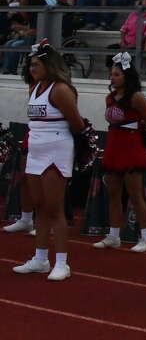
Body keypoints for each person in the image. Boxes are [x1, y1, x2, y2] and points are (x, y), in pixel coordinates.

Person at [11, 41, 85, 282]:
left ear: (49, 64)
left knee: (55, 208)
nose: (32, 68)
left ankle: (62, 262)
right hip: (36, 149)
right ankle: (40, 259)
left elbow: (77, 124)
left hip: (56, 149)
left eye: (37, 64)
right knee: (39, 206)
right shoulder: (33, 87)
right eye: (31, 64)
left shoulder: (61, 89)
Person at [93, 52, 146, 254]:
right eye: (111, 74)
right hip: (113, 145)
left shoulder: (136, 97)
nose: (112, 77)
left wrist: (137, 133)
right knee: (113, 193)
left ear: (126, 77)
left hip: (131, 147)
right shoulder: (109, 98)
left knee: (136, 195)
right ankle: (114, 235)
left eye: (117, 74)